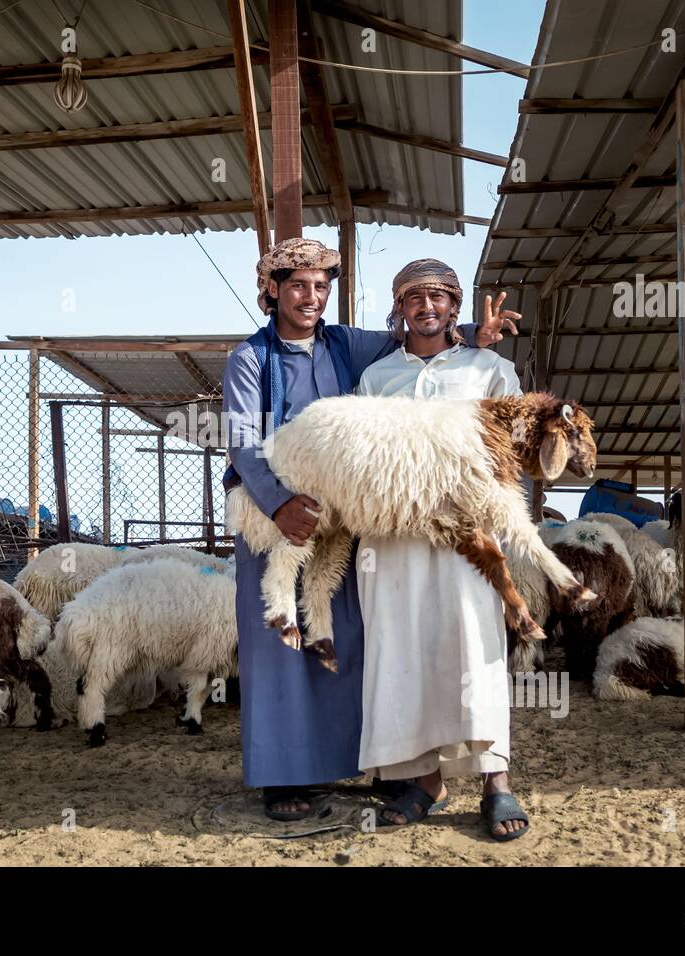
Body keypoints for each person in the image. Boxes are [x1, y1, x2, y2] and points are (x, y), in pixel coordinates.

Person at [221, 239, 513, 821]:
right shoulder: (249, 359)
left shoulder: (343, 343)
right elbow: (243, 441)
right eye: (298, 285)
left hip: (341, 517)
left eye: (321, 286)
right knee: (279, 641)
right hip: (276, 512)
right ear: (273, 290)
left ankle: (345, 762)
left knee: (345, 636)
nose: (311, 297)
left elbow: (414, 338)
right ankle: (283, 777)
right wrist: (280, 504)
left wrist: (471, 341)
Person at [354, 258, 531, 840]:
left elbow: (516, 447)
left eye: (438, 298)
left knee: (473, 646)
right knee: (403, 645)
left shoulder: (490, 368)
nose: (426, 307)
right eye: (413, 298)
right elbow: (363, 451)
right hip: (396, 537)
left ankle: (495, 781)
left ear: (455, 306)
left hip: (468, 534)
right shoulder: (378, 378)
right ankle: (425, 780)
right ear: (399, 308)